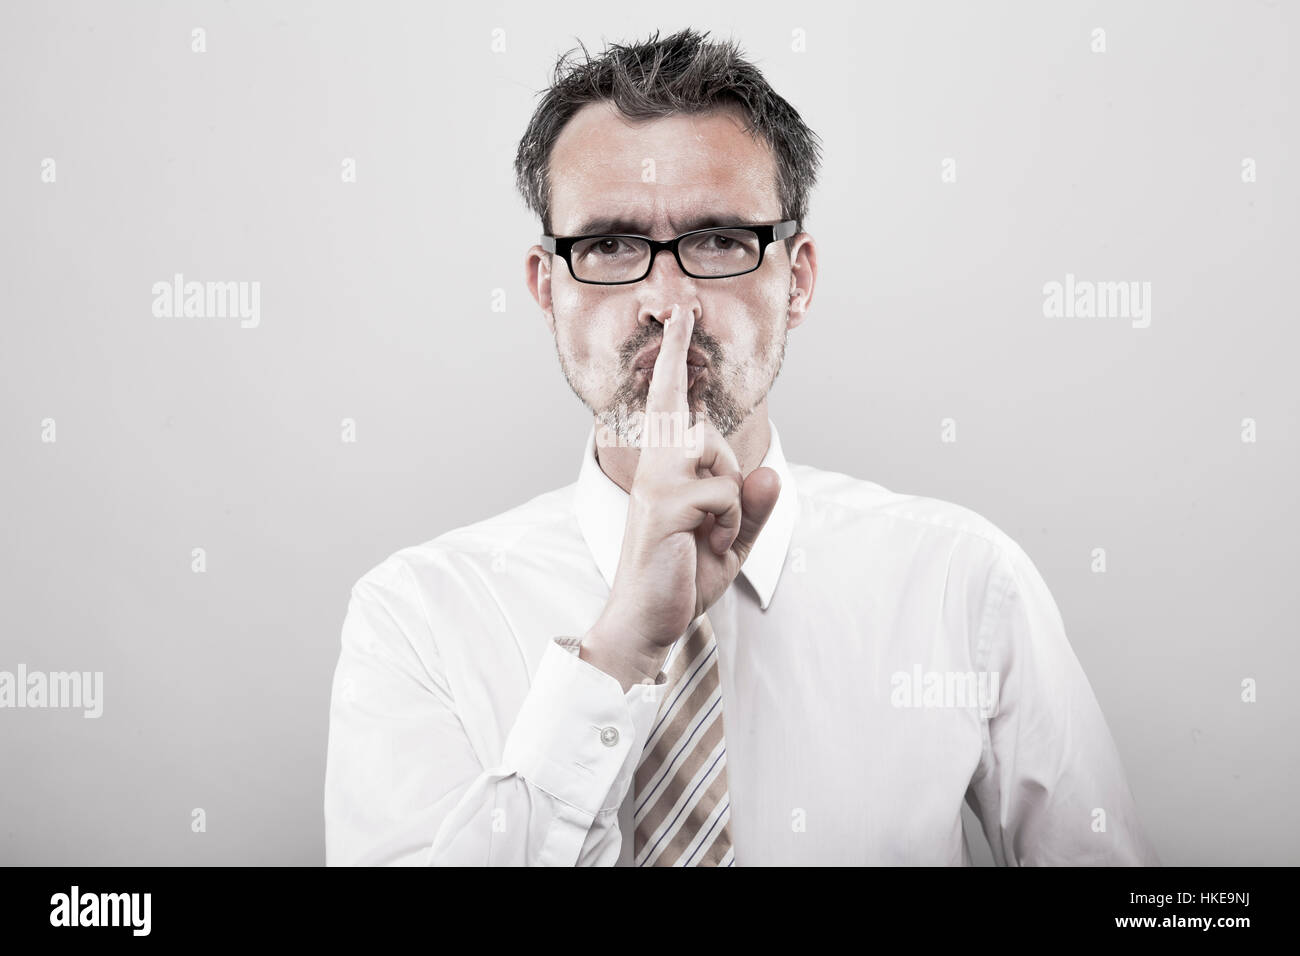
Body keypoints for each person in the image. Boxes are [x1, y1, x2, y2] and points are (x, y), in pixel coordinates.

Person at [323, 27, 1159, 866]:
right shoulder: (416, 617)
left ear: (796, 279)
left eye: (719, 240)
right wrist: (615, 653)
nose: (665, 301)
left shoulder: (964, 584)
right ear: (548, 289)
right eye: (611, 245)